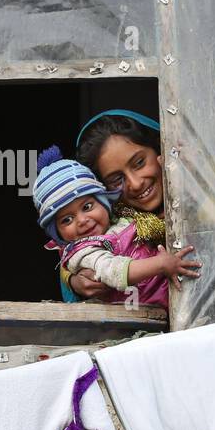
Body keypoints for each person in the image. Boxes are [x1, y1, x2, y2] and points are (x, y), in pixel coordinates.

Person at [33, 146, 199, 307]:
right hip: (145, 320)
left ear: (103, 202)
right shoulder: (84, 251)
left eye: (87, 207)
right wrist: (161, 264)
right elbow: (114, 271)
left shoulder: (124, 220)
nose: (82, 220)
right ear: (58, 234)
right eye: (67, 220)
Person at [65, 110, 180, 302]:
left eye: (139, 162)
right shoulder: (105, 231)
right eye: (116, 179)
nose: (135, 184)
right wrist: (72, 280)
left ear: (159, 148)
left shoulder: (203, 192)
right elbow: (76, 256)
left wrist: (192, 180)